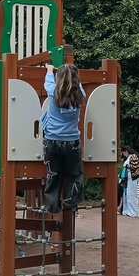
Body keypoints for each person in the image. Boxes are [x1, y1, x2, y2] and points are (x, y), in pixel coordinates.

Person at [41, 63, 86, 214]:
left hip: (52, 140)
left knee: (53, 174)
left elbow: (48, 82)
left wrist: (49, 69)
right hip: (72, 142)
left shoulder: (53, 92)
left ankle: (52, 206)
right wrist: (73, 73)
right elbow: (76, 84)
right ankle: (70, 202)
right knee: (74, 174)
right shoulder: (80, 95)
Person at [121, 146, 139, 218]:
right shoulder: (131, 156)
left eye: (123, 153)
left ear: (126, 151)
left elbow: (135, 166)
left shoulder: (133, 156)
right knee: (129, 195)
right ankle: (129, 211)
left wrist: (127, 165)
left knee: (132, 194)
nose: (123, 154)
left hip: (133, 178)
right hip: (130, 178)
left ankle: (134, 212)